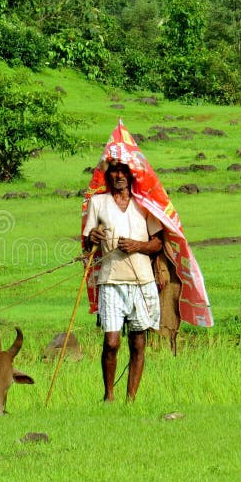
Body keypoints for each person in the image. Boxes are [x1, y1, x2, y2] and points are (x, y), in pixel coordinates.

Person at [82, 160, 163, 402]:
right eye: (114, 171)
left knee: (138, 343)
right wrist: (92, 237)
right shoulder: (98, 203)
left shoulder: (143, 204)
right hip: (110, 280)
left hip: (142, 280)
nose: (118, 176)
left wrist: (137, 245)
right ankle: (109, 396)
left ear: (131, 174)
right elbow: (87, 241)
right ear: (108, 176)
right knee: (112, 341)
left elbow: (157, 242)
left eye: (123, 171)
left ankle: (131, 399)